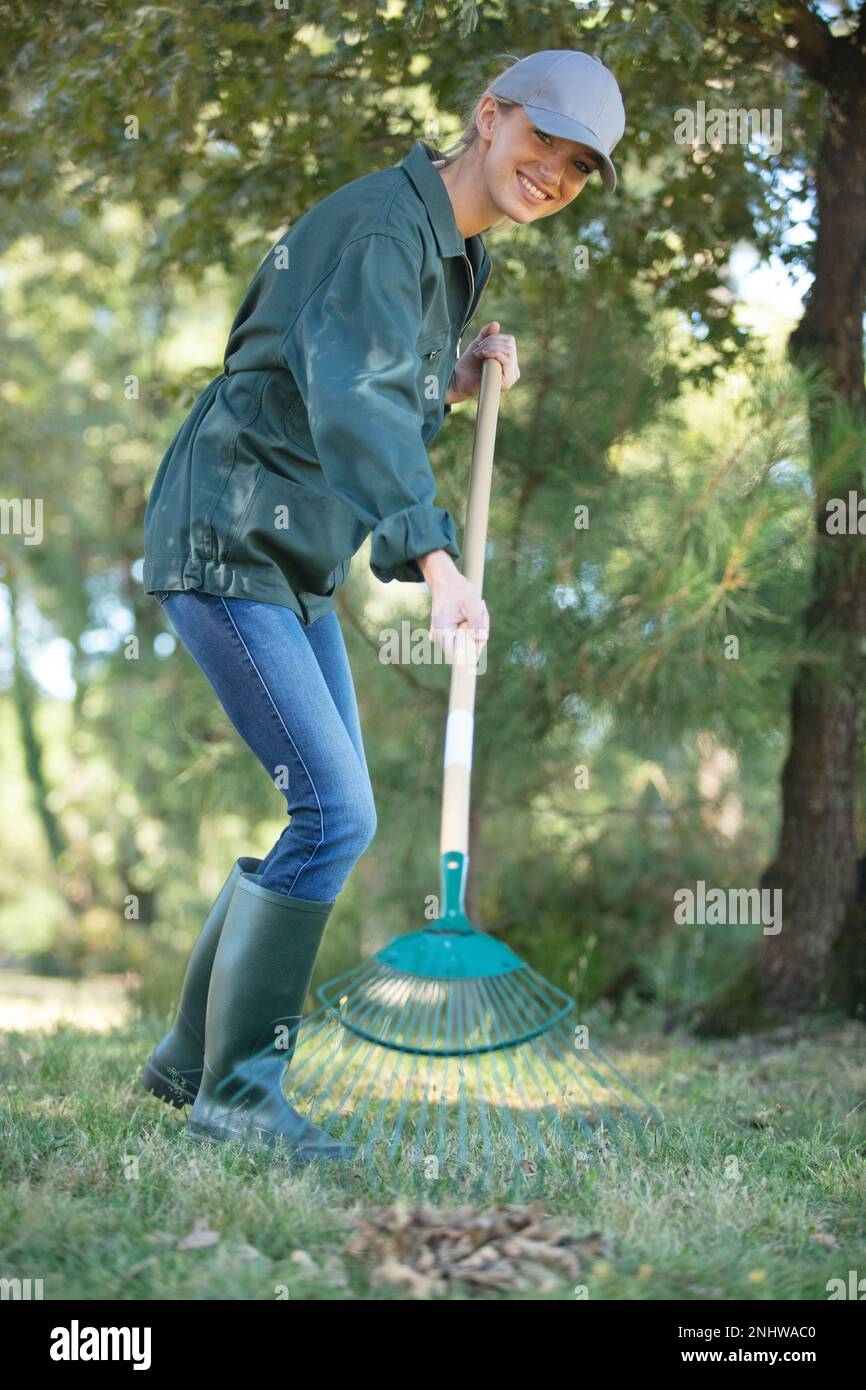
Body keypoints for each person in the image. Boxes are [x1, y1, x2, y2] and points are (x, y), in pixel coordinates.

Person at [140, 49, 626, 1159]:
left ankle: (181, 1068)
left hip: (290, 559)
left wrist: (445, 378)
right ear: (488, 115)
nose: (550, 170)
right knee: (337, 813)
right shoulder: (382, 227)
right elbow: (351, 402)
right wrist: (440, 562)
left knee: (320, 812)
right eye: (539, 139)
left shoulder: (450, 253)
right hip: (230, 536)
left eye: (575, 164)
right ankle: (238, 1096)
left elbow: (353, 370)